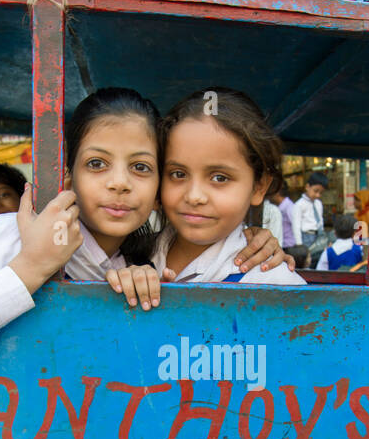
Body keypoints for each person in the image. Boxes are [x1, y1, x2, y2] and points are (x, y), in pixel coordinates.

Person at [0, 87, 290, 387]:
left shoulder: (129, 260)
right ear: (67, 176)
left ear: (155, 189)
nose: (119, 183)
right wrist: (29, 269)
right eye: (97, 164)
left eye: (141, 167)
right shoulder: (14, 233)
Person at [123, 86, 305, 289]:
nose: (194, 196)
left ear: (259, 187)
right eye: (178, 174)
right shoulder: (122, 257)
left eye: (219, 178)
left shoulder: (276, 285)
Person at [290, 172, 326, 250]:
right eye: (315, 191)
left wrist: (322, 235)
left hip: (318, 235)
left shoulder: (318, 203)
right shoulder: (299, 205)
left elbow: (320, 220)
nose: (318, 195)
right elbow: (296, 226)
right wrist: (299, 245)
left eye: (321, 193)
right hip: (306, 237)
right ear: (307, 187)